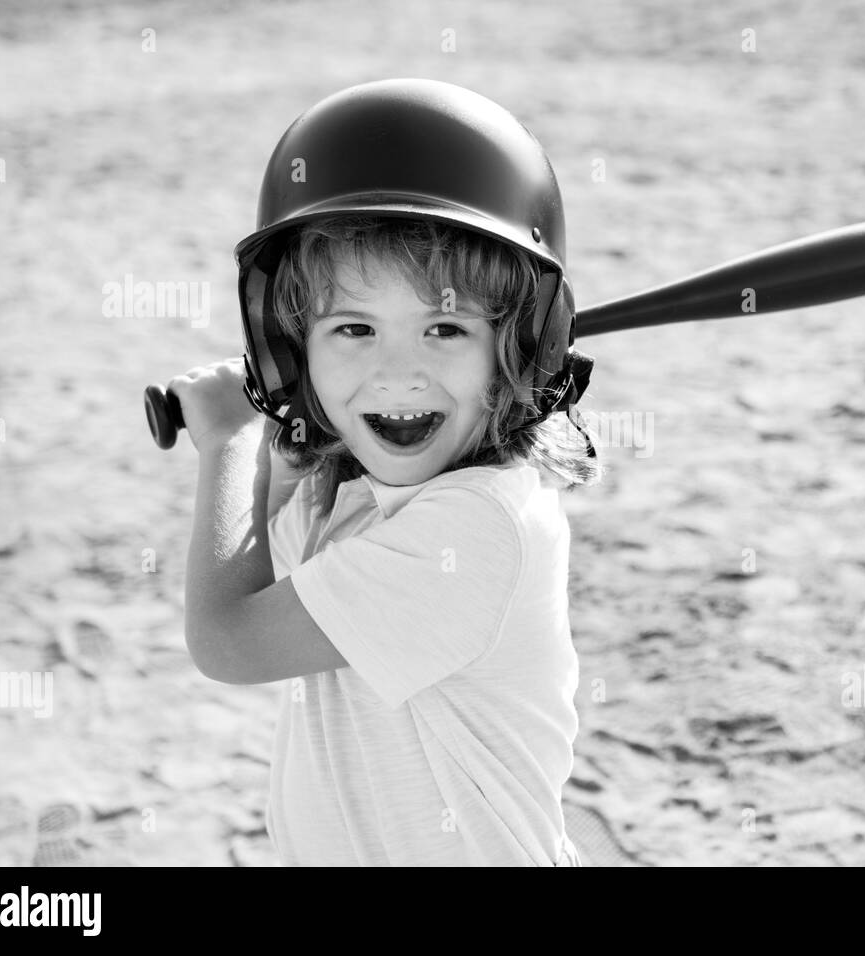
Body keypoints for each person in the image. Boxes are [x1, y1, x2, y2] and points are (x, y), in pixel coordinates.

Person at [170, 79, 604, 865]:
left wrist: (230, 439)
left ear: (521, 346)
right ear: (293, 346)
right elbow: (261, 550)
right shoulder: (361, 490)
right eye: (355, 328)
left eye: (443, 326)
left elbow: (228, 639)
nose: (397, 374)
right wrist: (292, 423)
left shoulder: (477, 528)